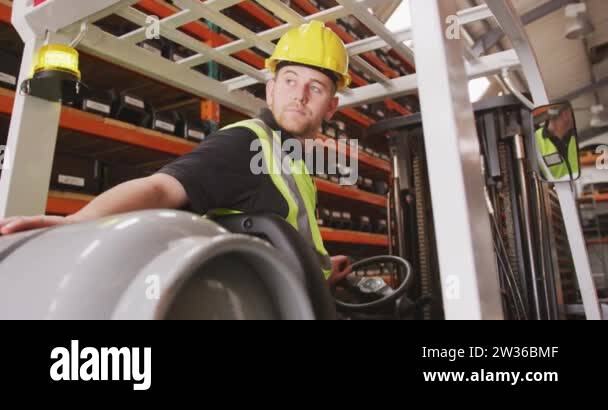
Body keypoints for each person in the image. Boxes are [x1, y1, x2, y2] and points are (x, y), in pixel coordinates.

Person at [0, 21, 354, 286]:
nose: (300, 95)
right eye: (290, 80)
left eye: (316, 87)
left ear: (331, 106)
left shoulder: (293, 161)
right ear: (271, 90)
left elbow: (291, 234)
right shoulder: (245, 143)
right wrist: (75, 225)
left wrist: (322, 267)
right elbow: (162, 188)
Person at [534, 105, 579, 181]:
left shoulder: (577, 136)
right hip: (559, 191)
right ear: (565, 114)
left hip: (581, 187)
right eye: (572, 112)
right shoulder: (535, 141)